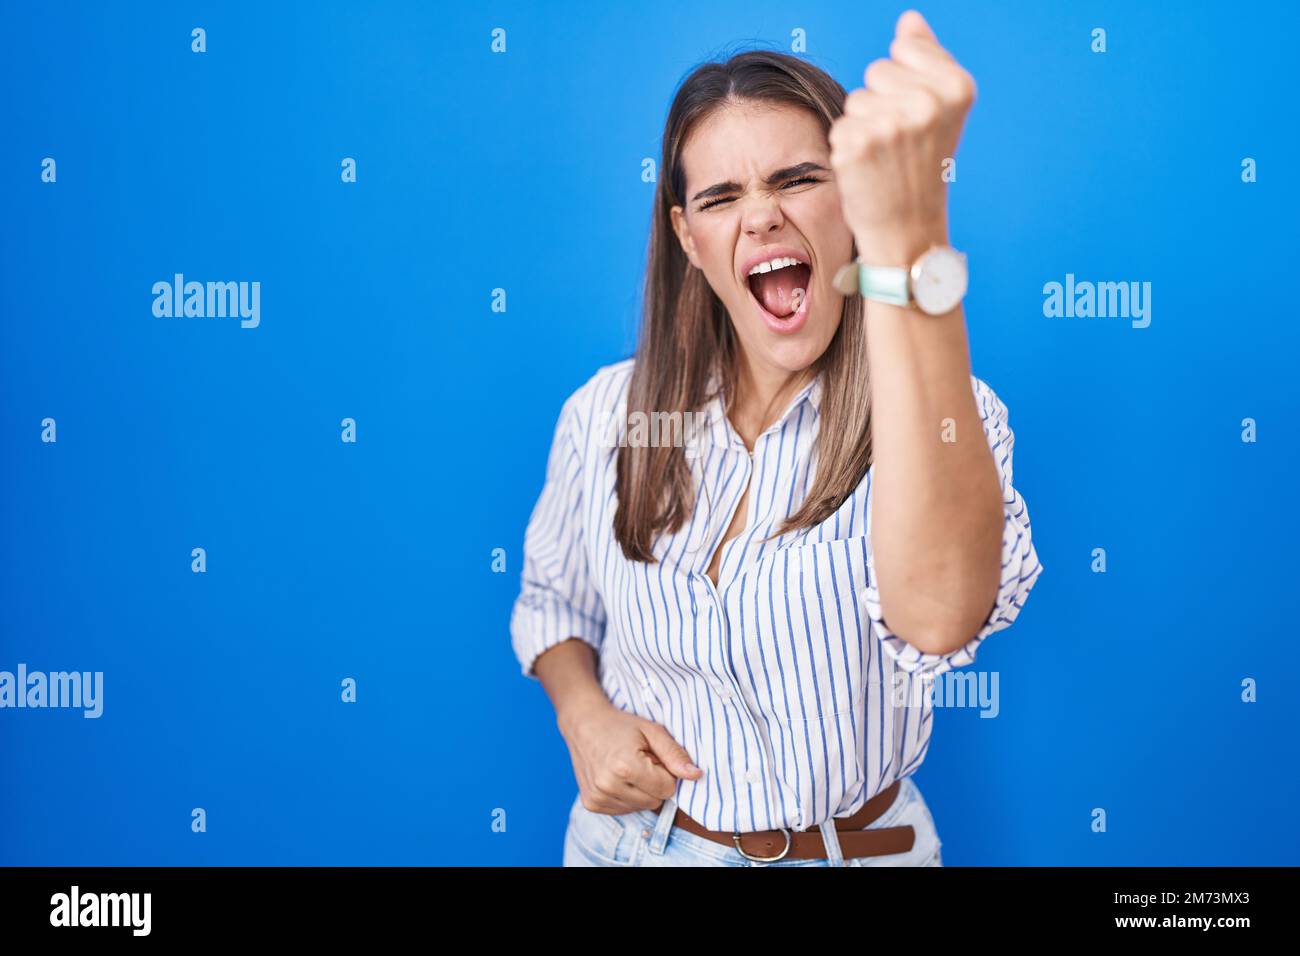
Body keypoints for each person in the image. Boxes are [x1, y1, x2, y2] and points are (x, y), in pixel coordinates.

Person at [510, 9, 1042, 867]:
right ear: (689, 238)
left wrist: (914, 232)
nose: (759, 218)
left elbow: (940, 616)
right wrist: (586, 719)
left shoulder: (949, 417)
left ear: (855, 204)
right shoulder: (605, 415)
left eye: (798, 179)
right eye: (721, 198)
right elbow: (552, 604)